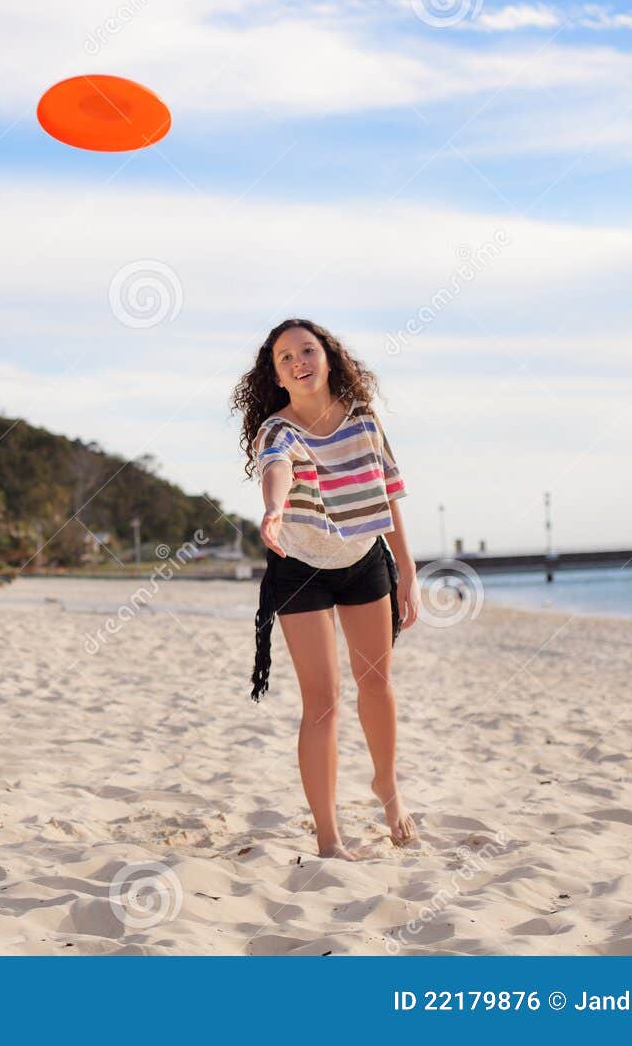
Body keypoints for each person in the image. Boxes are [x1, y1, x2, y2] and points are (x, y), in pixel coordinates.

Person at [232, 320, 417, 860]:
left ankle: (388, 788)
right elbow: (277, 470)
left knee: (376, 684)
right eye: (284, 357)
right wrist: (272, 510)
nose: (298, 361)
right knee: (322, 703)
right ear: (276, 374)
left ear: (329, 358)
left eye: (307, 350)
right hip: (300, 565)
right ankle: (329, 837)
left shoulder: (362, 421)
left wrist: (407, 571)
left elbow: (389, 494)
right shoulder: (276, 429)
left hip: (363, 560)